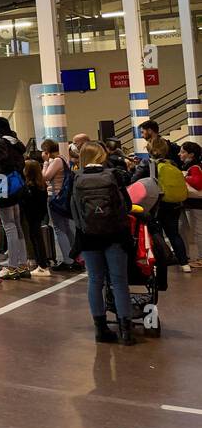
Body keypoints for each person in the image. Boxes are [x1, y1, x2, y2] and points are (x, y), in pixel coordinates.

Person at [70, 142, 135, 345]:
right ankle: (126, 331)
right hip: (115, 235)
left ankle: (101, 329)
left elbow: (72, 209)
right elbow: (127, 205)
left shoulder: (77, 178)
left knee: (95, 281)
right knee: (119, 282)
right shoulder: (113, 175)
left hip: (89, 237)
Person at [0, 117, 29, 279]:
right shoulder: (16, 142)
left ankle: (12, 267)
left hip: (2, 186)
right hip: (17, 185)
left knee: (9, 226)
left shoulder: (2, 144)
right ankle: (22, 263)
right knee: (17, 226)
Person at [148, 136, 188, 269]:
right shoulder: (172, 164)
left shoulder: (149, 165)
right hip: (175, 204)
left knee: (156, 233)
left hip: (159, 204)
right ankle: (184, 263)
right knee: (174, 234)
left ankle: (160, 262)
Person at [41, 138, 77, 270]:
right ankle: (74, 257)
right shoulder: (63, 159)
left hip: (55, 197)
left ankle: (67, 260)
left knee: (59, 228)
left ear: (47, 151)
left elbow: (45, 177)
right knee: (67, 227)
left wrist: (45, 163)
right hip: (63, 197)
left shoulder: (56, 161)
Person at [19, 159, 54, 276]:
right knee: (37, 239)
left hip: (32, 216)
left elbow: (26, 203)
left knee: (36, 239)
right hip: (39, 215)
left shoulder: (29, 187)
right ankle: (42, 264)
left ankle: (42, 265)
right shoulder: (41, 185)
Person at [180, 140, 202, 273]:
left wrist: (183, 178)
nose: (180, 154)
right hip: (192, 204)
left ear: (191, 154)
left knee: (199, 231)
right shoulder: (191, 166)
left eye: (183, 152)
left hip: (197, 204)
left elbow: (198, 183)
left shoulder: (194, 168)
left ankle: (201, 258)